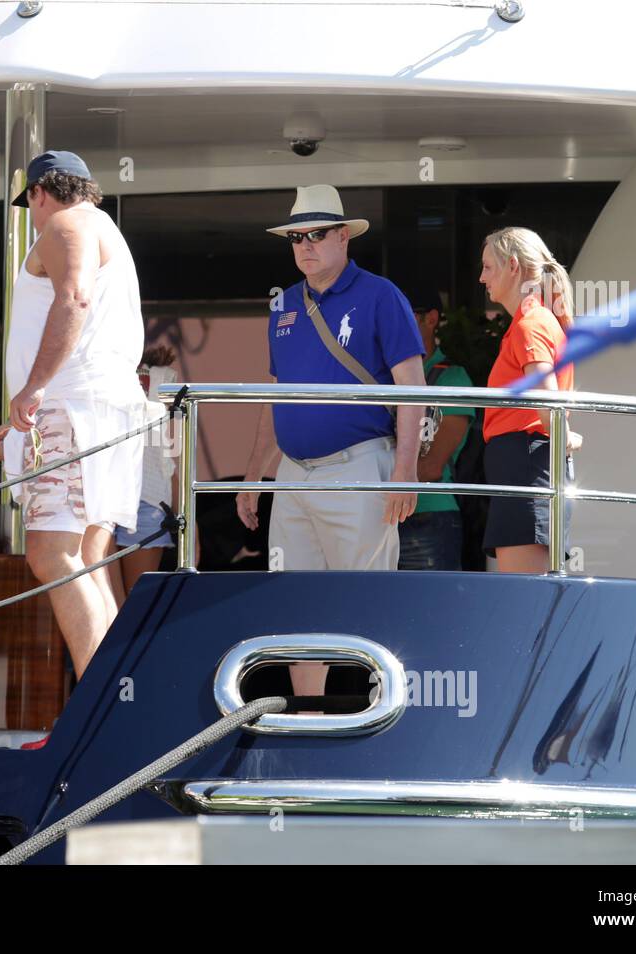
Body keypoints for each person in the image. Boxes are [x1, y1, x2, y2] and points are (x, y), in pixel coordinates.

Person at [236, 185, 426, 699]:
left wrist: (405, 471)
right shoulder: (284, 304)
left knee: (367, 602)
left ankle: (381, 722)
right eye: (296, 236)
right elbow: (275, 394)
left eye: (317, 234)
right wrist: (255, 474)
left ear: (344, 236)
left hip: (360, 467)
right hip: (293, 474)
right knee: (298, 606)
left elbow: (415, 388)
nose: (305, 245)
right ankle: (310, 722)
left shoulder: (381, 295)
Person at [0, 150, 146, 679]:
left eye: (30, 202)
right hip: (97, 411)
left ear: (39, 192)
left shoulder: (64, 224)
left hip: (71, 410)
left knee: (52, 553)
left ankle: (95, 709)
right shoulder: (105, 228)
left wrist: (34, 389)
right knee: (88, 556)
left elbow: (74, 298)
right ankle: (109, 706)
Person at [479, 227, 581, 573]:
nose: (481, 278)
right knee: (530, 598)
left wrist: (563, 433)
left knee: (525, 601)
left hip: (525, 465)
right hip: (529, 464)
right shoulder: (534, 321)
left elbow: (547, 400)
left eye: (488, 267)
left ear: (512, 266)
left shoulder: (530, 323)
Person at [398, 290, 472, 571]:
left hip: (430, 514)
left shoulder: (452, 377)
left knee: (433, 612)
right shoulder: (383, 379)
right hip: (381, 516)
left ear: (431, 319)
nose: (398, 324)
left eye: (407, 316)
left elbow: (432, 468)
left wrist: (378, 477)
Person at [108, 345, 179, 606]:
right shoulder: (164, 378)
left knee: (113, 600)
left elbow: (169, 458)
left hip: (108, 492)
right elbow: (170, 458)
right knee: (135, 602)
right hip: (147, 496)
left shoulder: (104, 370)